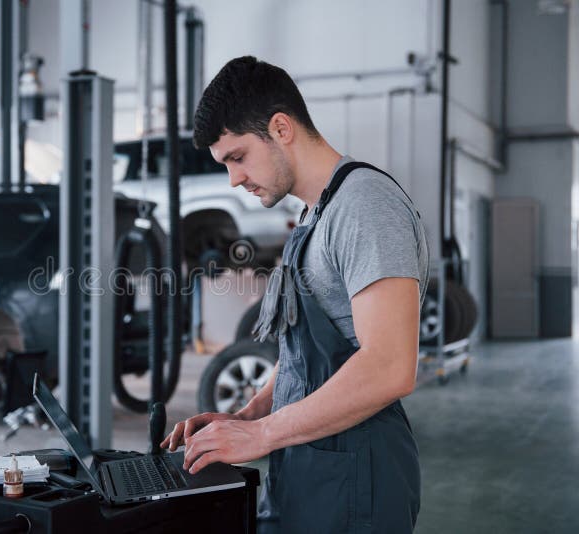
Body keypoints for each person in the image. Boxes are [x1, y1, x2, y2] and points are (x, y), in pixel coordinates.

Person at [161, 56, 429, 533]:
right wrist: (245, 417)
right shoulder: (313, 215)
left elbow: (389, 367)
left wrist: (260, 434)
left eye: (237, 157)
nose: (234, 180)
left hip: (357, 480)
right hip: (309, 467)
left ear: (281, 128)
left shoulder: (364, 205)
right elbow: (307, 353)